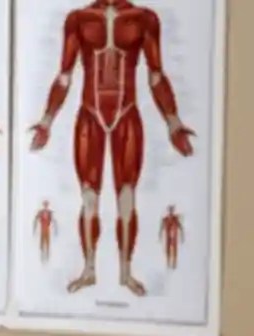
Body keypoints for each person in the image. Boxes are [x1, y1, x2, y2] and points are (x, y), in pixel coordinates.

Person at [29, 0, 195, 297]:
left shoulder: (144, 18)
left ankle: (126, 273)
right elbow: (64, 75)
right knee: (89, 198)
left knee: (127, 199)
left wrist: (173, 123)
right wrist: (46, 121)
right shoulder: (78, 18)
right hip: (90, 116)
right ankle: (89, 270)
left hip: (126, 116)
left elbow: (156, 75)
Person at [160, 205, 184, 271]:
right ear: (168, 211)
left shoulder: (175, 218)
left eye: (172, 210)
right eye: (170, 210)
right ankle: (168, 264)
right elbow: (161, 228)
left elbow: (181, 228)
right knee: (168, 250)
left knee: (174, 250)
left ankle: (174, 264)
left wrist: (182, 236)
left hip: (174, 237)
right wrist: (160, 236)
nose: (171, 211)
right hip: (168, 237)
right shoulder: (165, 219)